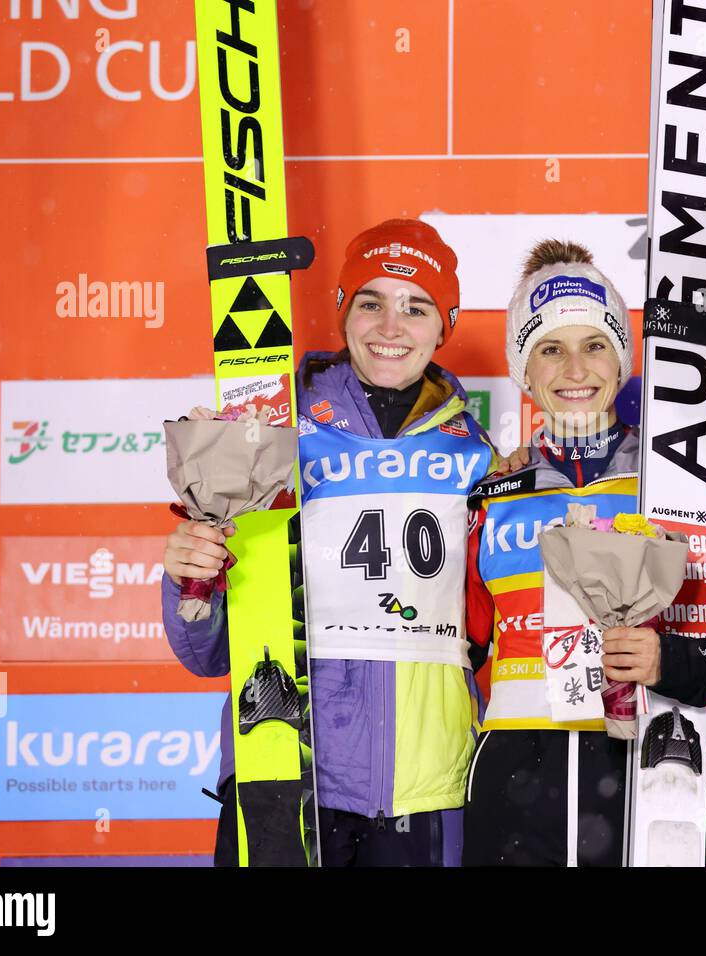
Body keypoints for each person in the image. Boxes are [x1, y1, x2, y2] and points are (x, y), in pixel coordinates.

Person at [161, 218, 495, 866]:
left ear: (444, 322)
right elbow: (206, 650)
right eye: (370, 301)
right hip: (286, 773)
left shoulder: (478, 458)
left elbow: (491, 632)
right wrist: (191, 578)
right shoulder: (272, 432)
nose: (391, 327)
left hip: (427, 792)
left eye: (415, 306)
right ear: (342, 310)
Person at [462, 239, 706, 866]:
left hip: (653, 778)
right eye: (550, 349)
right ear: (522, 370)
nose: (575, 370)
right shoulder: (491, 496)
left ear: (623, 360)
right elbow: (459, 649)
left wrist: (672, 660)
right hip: (514, 797)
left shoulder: (677, 486)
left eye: (595, 345)